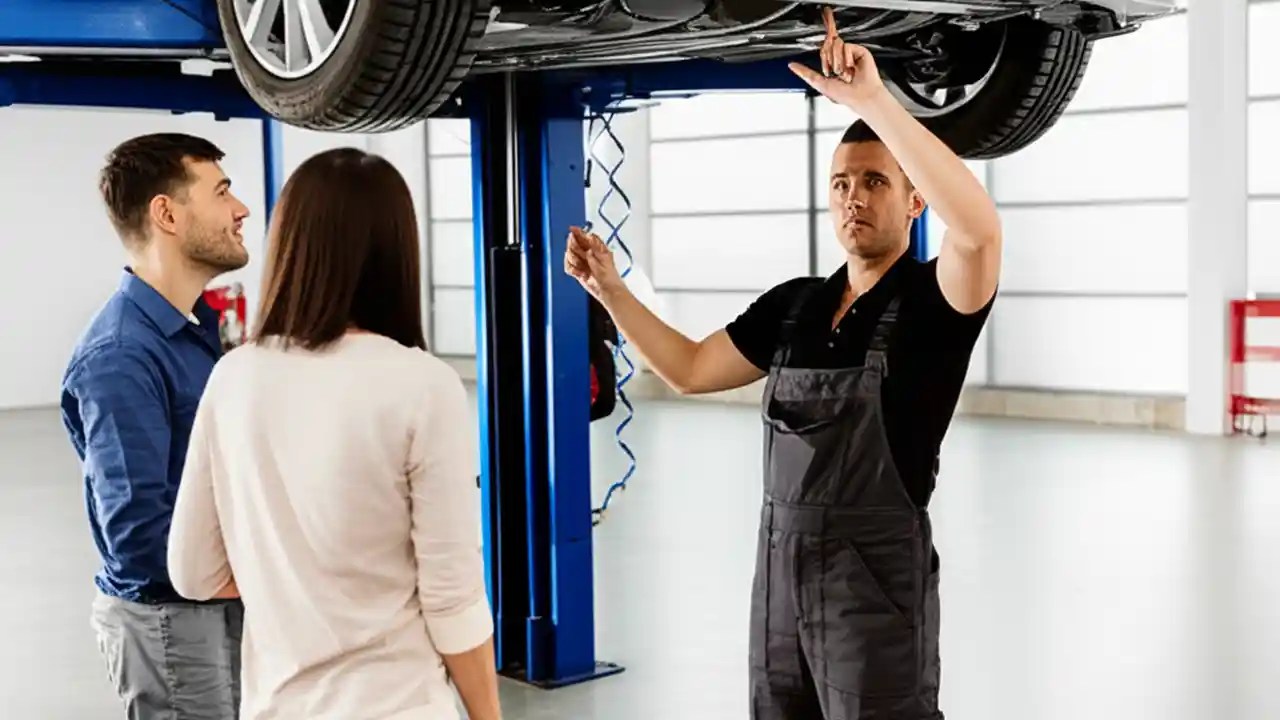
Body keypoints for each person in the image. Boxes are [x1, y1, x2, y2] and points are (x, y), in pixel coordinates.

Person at [563, 14, 1001, 720]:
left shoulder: (932, 305)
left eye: (874, 182)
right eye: (840, 184)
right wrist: (610, 292)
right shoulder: (796, 307)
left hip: (874, 591)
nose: (853, 197)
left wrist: (874, 104)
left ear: (915, 198)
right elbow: (689, 368)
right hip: (779, 588)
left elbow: (979, 231)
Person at [165, 148, 502, 720]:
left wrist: (293, 590)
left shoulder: (235, 375)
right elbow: (452, 599)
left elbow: (192, 572)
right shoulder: (422, 385)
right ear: (396, 250)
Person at [59, 132, 251, 719]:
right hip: (173, 626)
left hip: (210, 607)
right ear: (166, 214)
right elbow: (140, 537)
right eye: (221, 192)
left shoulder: (188, 333)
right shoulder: (121, 355)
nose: (241, 209)